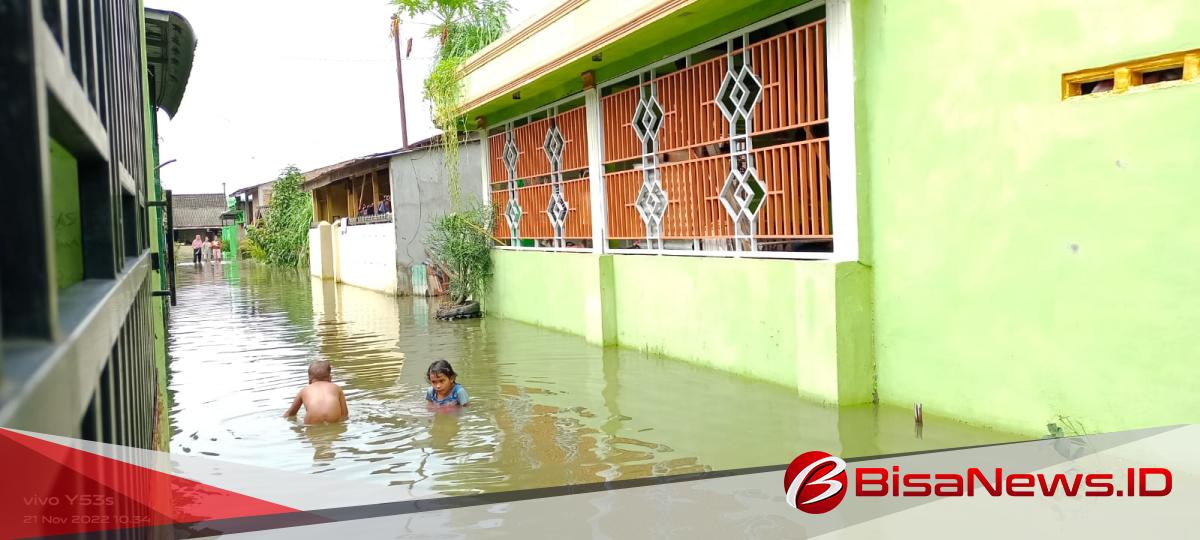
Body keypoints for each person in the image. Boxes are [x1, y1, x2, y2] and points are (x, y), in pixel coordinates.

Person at [284, 360, 349, 424]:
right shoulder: (337, 388)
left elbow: (290, 413)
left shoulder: (304, 390)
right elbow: (345, 414)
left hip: (312, 419)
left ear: (309, 380)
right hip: (333, 418)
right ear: (330, 378)